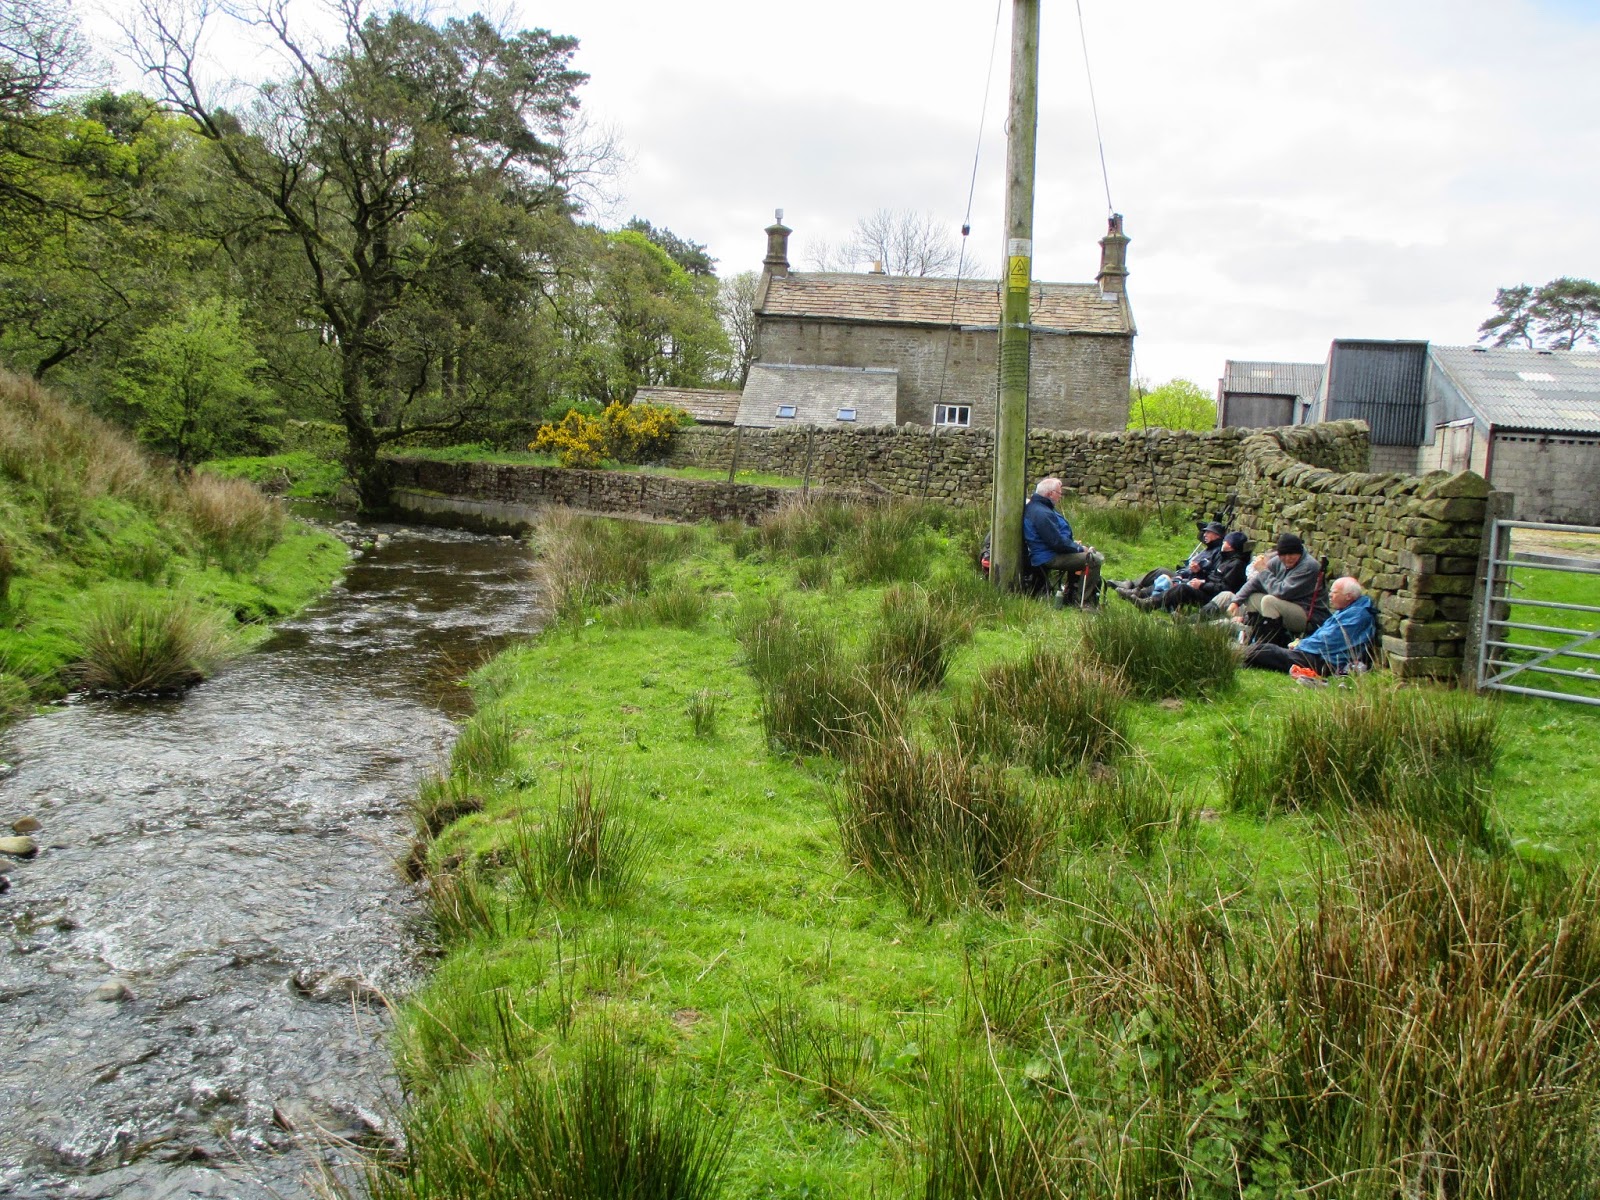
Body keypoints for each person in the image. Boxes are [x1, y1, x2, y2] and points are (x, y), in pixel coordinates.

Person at [1241, 577, 1375, 676]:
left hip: (1322, 661)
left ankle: (1236, 656)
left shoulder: (1358, 616)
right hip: (1314, 654)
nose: (1330, 595)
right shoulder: (1348, 611)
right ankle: (1240, 657)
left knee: (1267, 651)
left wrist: (1302, 645)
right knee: (1267, 652)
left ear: (1348, 596)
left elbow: (1329, 641)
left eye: (1334, 592)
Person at [1207, 532, 1329, 640]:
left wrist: (1263, 571)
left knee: (1269, 601)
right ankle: (1250, 634)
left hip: (1309, 615)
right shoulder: (1278, 561)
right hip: (1288, 606)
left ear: (1300, 552)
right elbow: (1255, 582)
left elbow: (1282, 592)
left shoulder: (1308, 566)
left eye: (1292, 554)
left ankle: (1267, 640)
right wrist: (1236, 602)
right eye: (1283, 555)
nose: (1287, 559)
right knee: (1253, 597)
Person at [1022, 477, 1103, 603]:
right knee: (1094, 559)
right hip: (1048, 557)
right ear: (1050, 494)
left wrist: (1073, 545)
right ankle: (1085, 602)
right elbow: (1056, 543)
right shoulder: (1042, 513)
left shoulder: (1039, 507)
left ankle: (1071, 592)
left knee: (1088, 555)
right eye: (1059, 493)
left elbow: (1054, 539)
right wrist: (1079, 548)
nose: (1060, 497)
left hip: (1047, 553)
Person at [1136, 529, 1249, 612]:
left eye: (1226, 541)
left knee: (1182, 588)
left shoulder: (1236, 565)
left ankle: (1149, 604)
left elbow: (1225, 588)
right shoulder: (1226, 558)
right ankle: (1141, 595)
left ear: (1231, 546)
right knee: (1177, 581)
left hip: (1213, 599)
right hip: (1204, 588)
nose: (1223, 543)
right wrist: (1199, 572)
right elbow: (1212, 577)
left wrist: (1201, 585)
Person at [1111, 522, 1227, 603]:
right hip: (1185, 574)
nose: (1204, 535)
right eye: (1204, 532)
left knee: (1162, 572)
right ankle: (1132, 586)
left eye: (1208, 532)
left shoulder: (1217, 553)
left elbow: (1209, 576)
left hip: (1191, 580)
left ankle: (1137, 592)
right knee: (1161, 571)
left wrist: (1197, 571)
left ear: (1217, 535)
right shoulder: (1208, 548)